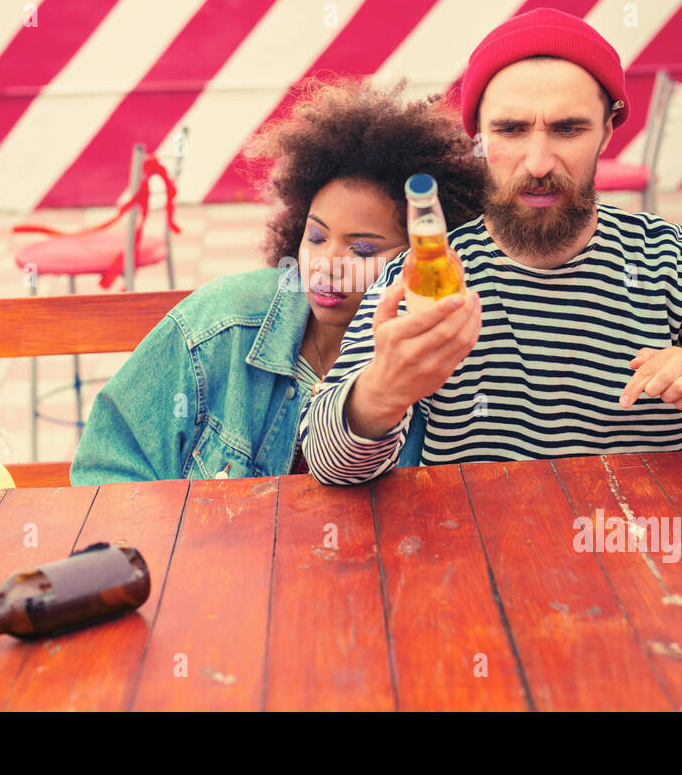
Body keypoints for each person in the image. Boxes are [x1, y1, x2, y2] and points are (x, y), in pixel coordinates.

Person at [299, 7, 682, 485]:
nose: (538, 162)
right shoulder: (424, 280)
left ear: (609, 129)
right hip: (477, 568)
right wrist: (380, 393)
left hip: (643, 563)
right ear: (478, 134)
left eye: (568, 128)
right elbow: (327, 463)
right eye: (511, 130)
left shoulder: (675, 264)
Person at [70, 78, 485, 484]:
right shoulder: (220, 324)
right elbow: (108, 469)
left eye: (361, 251)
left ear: (423, 260)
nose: (326, 264)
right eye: (316, 237)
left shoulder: (443, 362)